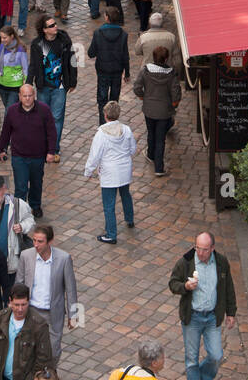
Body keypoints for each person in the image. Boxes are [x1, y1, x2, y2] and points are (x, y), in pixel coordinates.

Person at [169, 231, 237, 380]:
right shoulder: (186, 261)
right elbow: (172, 283)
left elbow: (228, 287)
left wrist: (231, 312)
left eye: (205, 250)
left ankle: (204, 377)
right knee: (191, 358)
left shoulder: (221, 262)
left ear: (212, 248)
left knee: (216, 355)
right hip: (192, 317)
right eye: (198, 248)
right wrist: (185, 286)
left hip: (212, 316)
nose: (200, 253)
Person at [14, 225, 79, 365]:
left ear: (50, 241)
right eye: (34, 240)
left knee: (53, 350)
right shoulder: (26, 256)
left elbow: (71, 289)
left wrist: (74, 316)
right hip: (31, 311)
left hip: (53, 313)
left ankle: (51, 374)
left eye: (40, 241)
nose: (36, 245)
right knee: (29, 348)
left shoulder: (64, 259)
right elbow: (19, 283)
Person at [0, 83, 58, 219]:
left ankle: (35, 206)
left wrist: (51, 151)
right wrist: (2, 148)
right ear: (19, 96)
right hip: (19, 156)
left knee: (37, 183)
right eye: (24, 96)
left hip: (38, 156)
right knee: (21, 186)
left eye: (30, 95)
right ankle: (20, 209)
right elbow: (6, 131)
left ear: (34, 95)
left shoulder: (44, 110)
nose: (27, 98)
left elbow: (51, 132)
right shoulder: (12, 111)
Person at [83, 100, 136, 244]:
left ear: (105, 115)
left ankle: (111, 234)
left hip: (109, 173)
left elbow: (95, 156)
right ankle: (129, 219)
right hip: (124, 170)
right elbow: (133, 149)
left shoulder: (101, 134)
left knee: (109, 205)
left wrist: (88, 171)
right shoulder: (126, 130)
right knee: (125, 195)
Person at [29, 15, 76, 157]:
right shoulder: (37, 44)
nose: (55, 26)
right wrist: (28, 83)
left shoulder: (64, 41)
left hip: (60, 86)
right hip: (43, 86)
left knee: (57, 118)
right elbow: (33, 65)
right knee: (43, 117)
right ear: (44, 30)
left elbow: (72, 60)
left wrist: (72, 81)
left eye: (54, 24)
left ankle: (54, 148)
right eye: (51, 25)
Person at [133, 46, 181, 176]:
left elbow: (137, 87)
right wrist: (174, 104)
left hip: (149, 109)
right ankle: (159, 168)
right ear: (166, 59)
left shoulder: (145, 71)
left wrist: (143, 97)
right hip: (164, 111)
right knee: (160, 138)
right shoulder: (171, 74)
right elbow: (176, 93)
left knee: (151, 133)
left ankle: (151, 155)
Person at [88, 6, 130, 123]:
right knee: (114, 100)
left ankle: (103, 124)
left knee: (102, 99)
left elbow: (91, 53)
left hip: (103, 70)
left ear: (106, 17)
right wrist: (127, 72)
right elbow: (125, 55)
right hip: (117, 70)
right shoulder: (123, 34)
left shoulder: (98, 33)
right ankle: (112, 122)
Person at [0, 27, 29, 111]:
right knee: (10, 110)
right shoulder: (2, 47)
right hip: (2, 85)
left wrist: (26, 85)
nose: (2, 40)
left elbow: (25, 69)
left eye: (4, 38)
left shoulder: (21, 50)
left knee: (9, 111)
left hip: (15, 86)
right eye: (1, 37)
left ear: (12, 36)